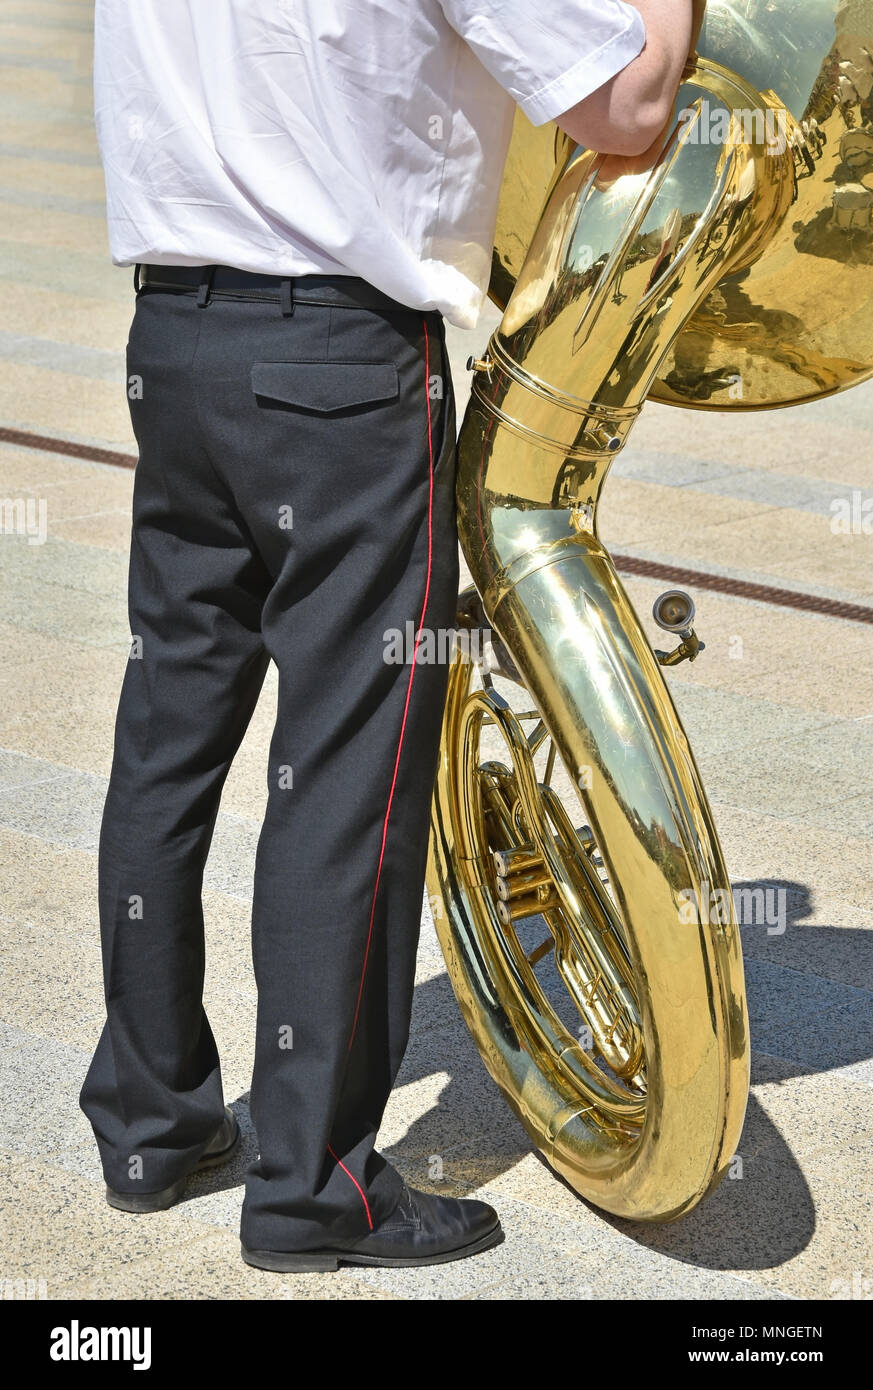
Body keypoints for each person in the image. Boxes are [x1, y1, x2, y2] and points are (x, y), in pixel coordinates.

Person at [81, 0, 700, 1274]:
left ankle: (150, 1126)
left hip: (177, 340)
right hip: (340, 369)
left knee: (167, 737)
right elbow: (628, 104)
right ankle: (313, 1183)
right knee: (352, 777)